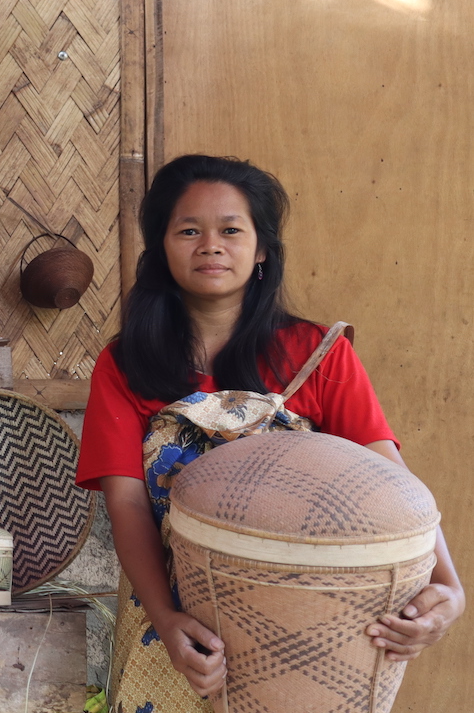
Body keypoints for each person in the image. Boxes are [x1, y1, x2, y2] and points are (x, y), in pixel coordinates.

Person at [76, 154, 464, 711]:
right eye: (188, 230)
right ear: (161, 248)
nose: (211, 245)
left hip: (310, 617)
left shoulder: (321, 354)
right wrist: (165, 619)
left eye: (231, 230)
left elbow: (389, 478)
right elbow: (129, 503)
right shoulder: (125, 364)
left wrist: (449, 587)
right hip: (177, 622)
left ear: (261, 249)